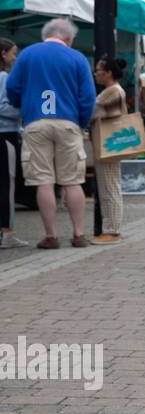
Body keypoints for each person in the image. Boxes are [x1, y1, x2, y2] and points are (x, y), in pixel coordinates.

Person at [3, 18, 97, 249]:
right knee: (73, 181)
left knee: (43, 180)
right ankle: (78, 234)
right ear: (69, 38)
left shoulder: (27, 55)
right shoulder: (77, 58)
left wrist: (23, 103)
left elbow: (13, 89)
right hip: (68, 122)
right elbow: (87, 97)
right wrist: (81, 123)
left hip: (36, 122)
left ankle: (51, 235)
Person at [90, 57, 129, 245]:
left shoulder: (112, 92)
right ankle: (111, 229)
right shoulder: (112, 91)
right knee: (108, 185)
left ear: (109, 73)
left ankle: (113, 230)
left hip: (108, 144)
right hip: (108, 145)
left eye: (98, 69)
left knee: (110, 186)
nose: (95, 73)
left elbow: (92, 113)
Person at [0, 38, 28, 248]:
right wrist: (24, 111)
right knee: (6, 185)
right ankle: (7, 233)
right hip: (5, 136)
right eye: (12, 53)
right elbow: (3, 107)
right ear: (3, 53)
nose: (14, 57)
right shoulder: (3, 78)